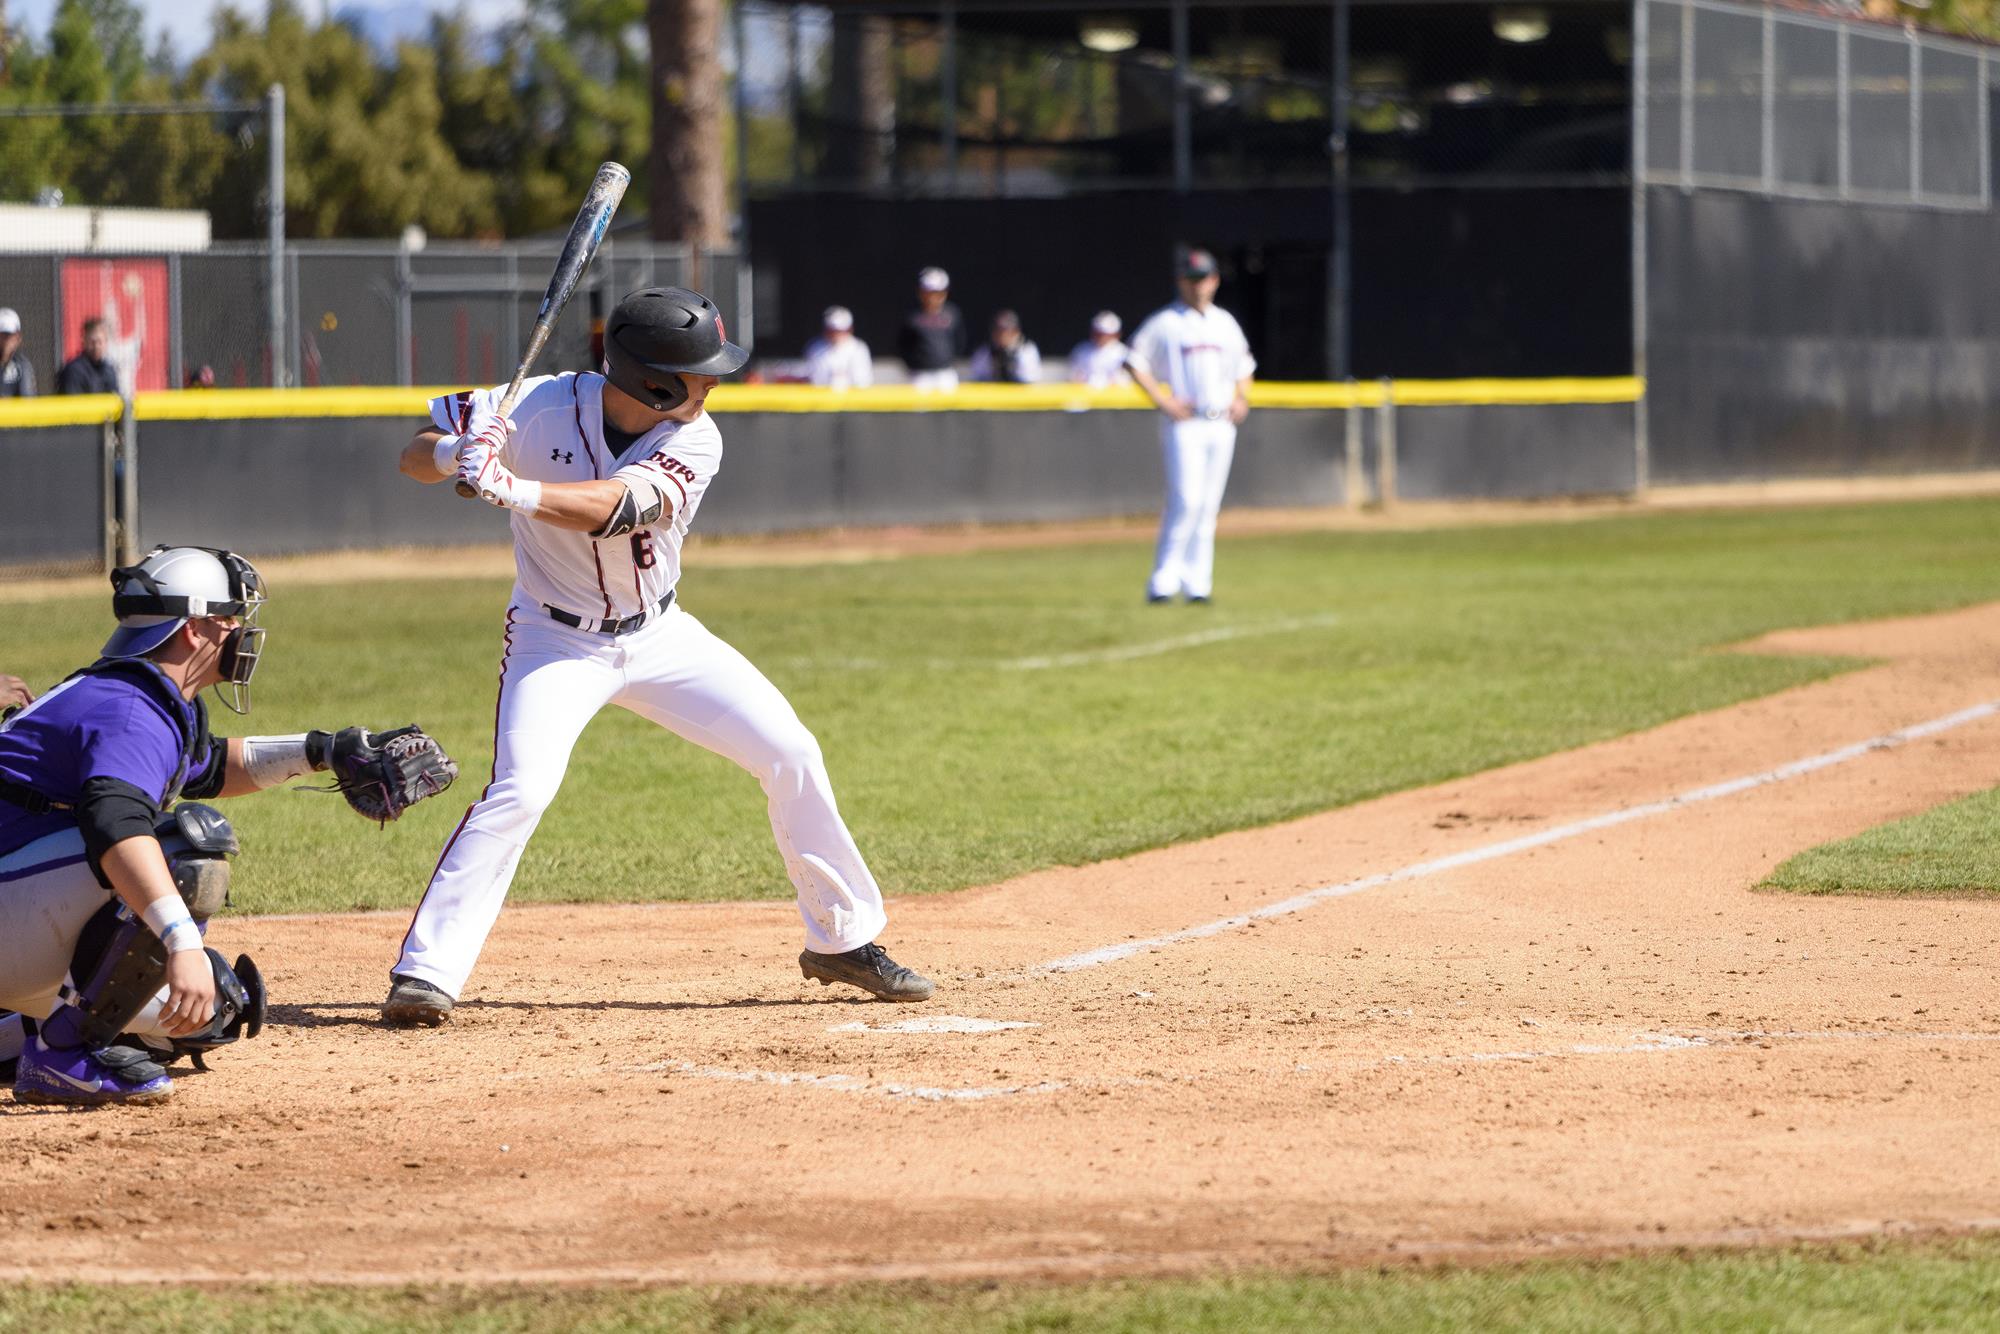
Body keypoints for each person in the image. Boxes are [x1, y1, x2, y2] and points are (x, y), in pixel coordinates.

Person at [386, 285, 936, 1028]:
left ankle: (842, 939)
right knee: (523, 788)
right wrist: (458, 451)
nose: (713, 383)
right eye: (700, 371)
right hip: (555, 640)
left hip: (660, 636)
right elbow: (412, 454)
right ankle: (427, 974)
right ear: (653, 380)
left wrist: (508, 485)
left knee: (790, 752)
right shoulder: (537, 402)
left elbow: (615, 508)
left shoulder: (696, 438)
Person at [0, 547, 443, 1104]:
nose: (238, 629)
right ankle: (61, 1054)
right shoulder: (131, 710)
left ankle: (16, 1035)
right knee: (187, 848)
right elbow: (114, 824)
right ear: (192, 630)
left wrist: (323, 751)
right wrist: (180, 940)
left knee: (209, 1011)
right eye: (228, 617)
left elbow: (208, 766)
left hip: (16, 903)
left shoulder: (142, 695)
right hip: (10, 912)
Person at [1125, 248, 1257, 605]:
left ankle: (1199, 584)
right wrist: (1162, 399)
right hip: (1185, 422)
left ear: (1215, 280)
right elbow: (1134, 361)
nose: (1199, 285)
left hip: (1220, 422)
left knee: (1208, 506)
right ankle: (1163, 580)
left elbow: (1244, 367)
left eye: (1205, 278)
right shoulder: (1166, 322)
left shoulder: (1224, 323)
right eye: (1192, 278)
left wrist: (1241, 398)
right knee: (1185, 500)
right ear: (1181, 281)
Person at [896, 266, 965, 392]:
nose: (933, 297)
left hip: (945, 373)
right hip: (920, 375)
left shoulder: (952, 313)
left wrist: (948, 360)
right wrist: (914, 364)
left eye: (938, 293)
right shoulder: (912, 315)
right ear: (921, 292)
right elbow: (902, 344)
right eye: (929, 292)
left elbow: (959, 340)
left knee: (949, 410)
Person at [803, 306, 873, 389]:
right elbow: (813, 379)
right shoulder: (815, 347)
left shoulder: (859, 349)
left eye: (840, 330)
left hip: (852, 398)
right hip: (821, 398)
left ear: (850, 329)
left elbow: (863, 382)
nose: (836, 334)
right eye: (831, 330)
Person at [967, 310, 1042, 384]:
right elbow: (977, 380)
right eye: (997, 330)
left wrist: (1011, 360)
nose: (1000, 335)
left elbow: (1029, 380)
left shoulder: (1027, 350)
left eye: (1004, 331)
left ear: (1016, 332)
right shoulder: (984, 352)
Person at [54, 317, 120, 397]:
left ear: (106, 342)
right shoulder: (74, 371)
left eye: (100, 342)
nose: (96, 346)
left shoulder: (109, 370)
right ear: (84, 341)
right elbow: (72, 405)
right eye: (92, 342)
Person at [1068, 311, 1131, 388]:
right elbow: (1074, 376)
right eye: (1098, 333)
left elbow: (1126, 380)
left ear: (1116, 334)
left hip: (1116, 396)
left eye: (1105, 334)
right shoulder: (1081, 349)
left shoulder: (1124, 353)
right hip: (1086, 395)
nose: (1101, 337)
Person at [0, 308, 34, 397]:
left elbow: (28, 402)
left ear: (18, 337)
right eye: (2, 335)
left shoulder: (22, 365)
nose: (6, 340)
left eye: (8, 335)